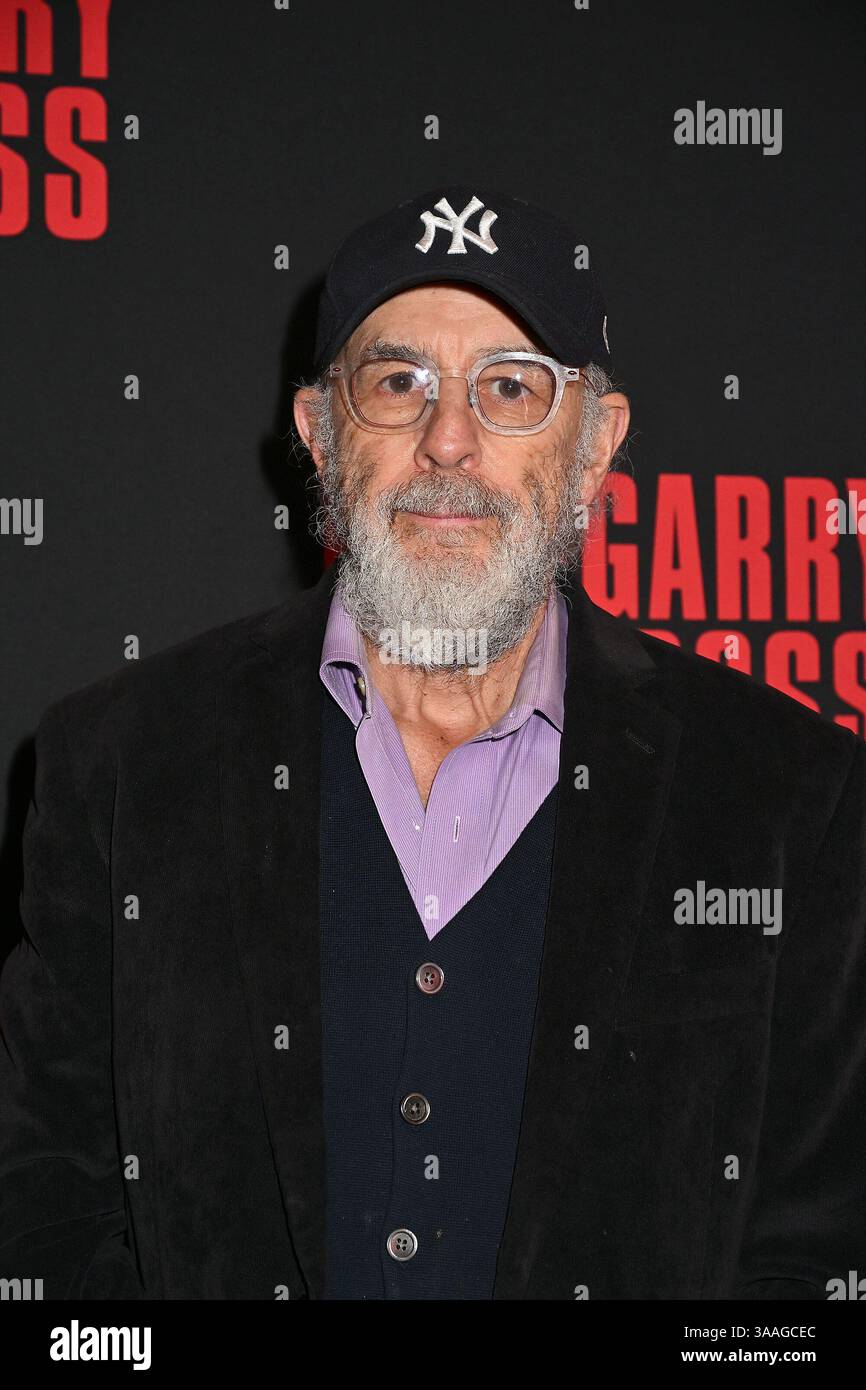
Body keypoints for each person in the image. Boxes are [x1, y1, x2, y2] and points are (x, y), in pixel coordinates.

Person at [1, 186, 864, 1301]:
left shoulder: (786, 794)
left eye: (510, 387)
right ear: (317, 433)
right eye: (395, 381)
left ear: (596, 444)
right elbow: (42, 1202)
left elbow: (822, 1251)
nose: (447, 438)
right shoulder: (117, 762)